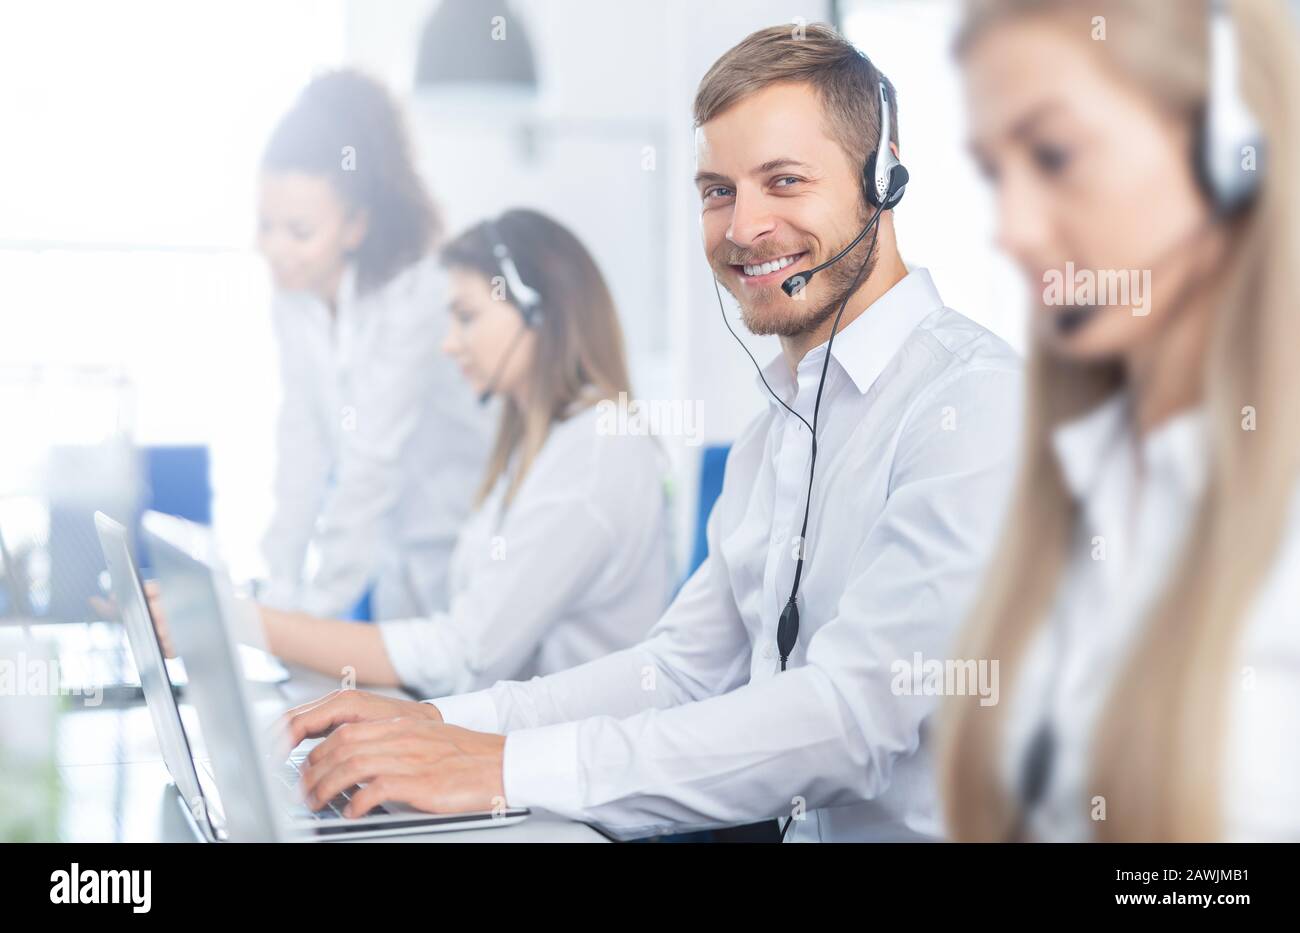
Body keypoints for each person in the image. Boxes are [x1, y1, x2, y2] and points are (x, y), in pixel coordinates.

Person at [281, 24, 1023, 842]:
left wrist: (498, 766)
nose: (744, 227)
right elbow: (675, 670)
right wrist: (430, 723)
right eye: (717, 191)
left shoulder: (977, 408)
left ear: (881, 179)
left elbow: (854, 719)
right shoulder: (778, 424)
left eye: (784, 181)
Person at [939, 0, 1300, 841]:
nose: (1013, 230)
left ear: (1233, 152)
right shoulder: (1072, 483)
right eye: (995, 174)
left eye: (1055, 156)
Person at [155, 210, 673, 699]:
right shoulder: (532, 446)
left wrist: (241, 620)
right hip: (510, 746)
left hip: (561, 777)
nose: (449, 345)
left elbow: (467, 654)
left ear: (539, 314)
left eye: (466, 318)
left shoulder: (596, 452)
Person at [257, 69, 487, 621]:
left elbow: (370, 462)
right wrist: (278, 589)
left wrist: (306, 623)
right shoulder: (296, 296)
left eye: (299, 231)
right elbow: (302, 443)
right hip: (391, 560)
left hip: (455, 547)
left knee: (453, 697)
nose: (277, 250)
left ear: (355, 225)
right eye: (266, 226)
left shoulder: (417, 292)